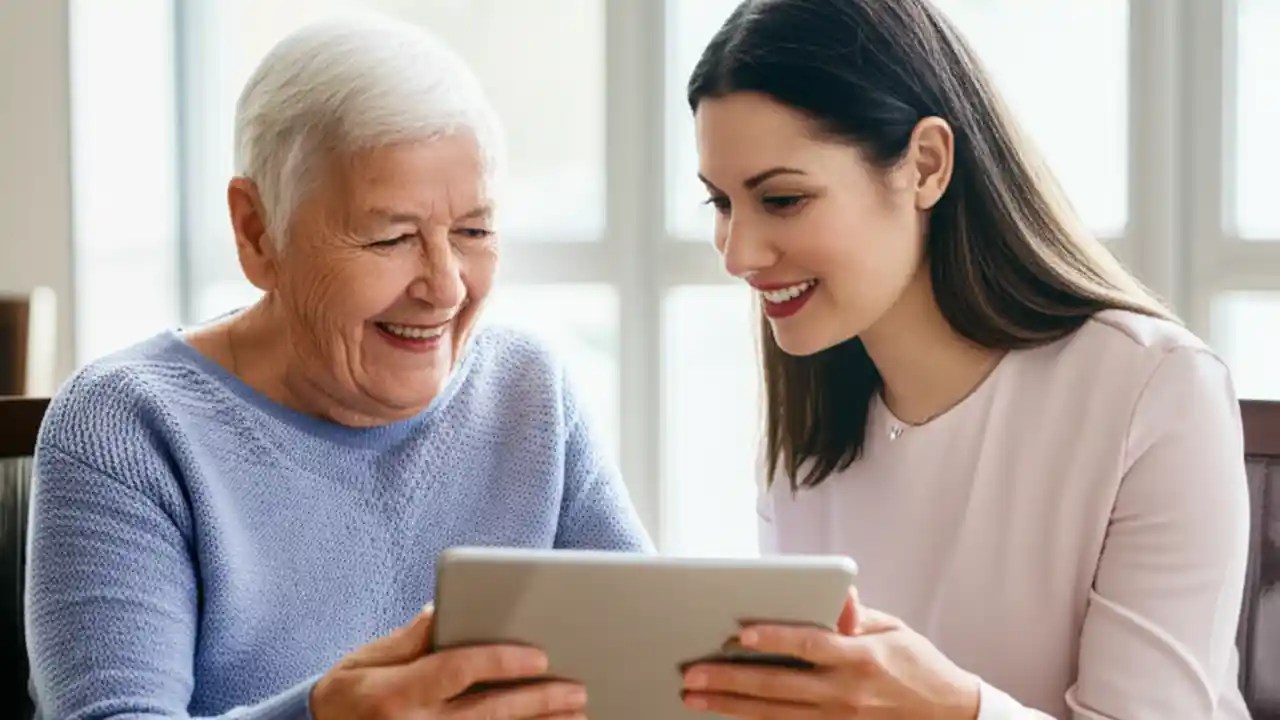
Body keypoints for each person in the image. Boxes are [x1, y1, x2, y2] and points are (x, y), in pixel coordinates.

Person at [25, 16, 648, 720]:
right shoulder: (128, 426)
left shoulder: (527, 392)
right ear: (258, 233)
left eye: (473, 231)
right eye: (392, 238)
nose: (445, 287)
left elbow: (649, 667)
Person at [678, 0, 1251, 718]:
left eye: (783, 199)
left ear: (925, 165)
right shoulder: (810, 423)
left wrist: (957, 707)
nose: (738, 255)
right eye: (721, 205)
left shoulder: (1156, 393)